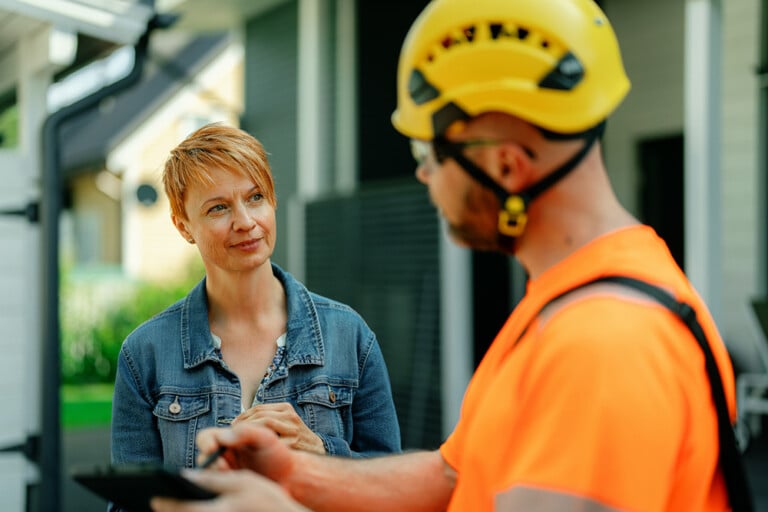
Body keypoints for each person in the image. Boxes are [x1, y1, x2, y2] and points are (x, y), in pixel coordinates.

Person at [150, 0, 747, 510]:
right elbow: (453, 475)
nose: (422, 173)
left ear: (505, 166)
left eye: (431, 154)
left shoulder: (601, 347)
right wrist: (294, 474)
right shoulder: (573, 298)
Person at [109, 123, 401, 508]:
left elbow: (393, 491)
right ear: (184, 226)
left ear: (273, 200)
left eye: (255, 197)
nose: (245, 221)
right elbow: (128, 505)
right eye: (218, 208)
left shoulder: (349, 336)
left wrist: (320, 452)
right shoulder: (144, 354)